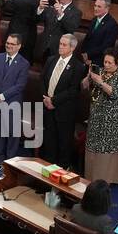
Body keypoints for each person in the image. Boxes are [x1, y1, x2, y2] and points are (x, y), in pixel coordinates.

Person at [81, 49, 118, 184]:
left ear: (117, 63)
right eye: (105, 62)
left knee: (106, 148)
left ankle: (106, 179)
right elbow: (84, 86)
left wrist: (101, 82)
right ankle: (91, 176)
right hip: (96, 116)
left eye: (109, 63)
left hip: (112, 119)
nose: (106, 65)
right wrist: (88, 76)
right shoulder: (99, 72)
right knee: (93, 145)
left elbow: (116, 94)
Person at [40, 33, 84, 170]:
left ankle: (59, 180)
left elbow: (73, 91)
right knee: (49, 144)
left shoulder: (78, 67)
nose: (60, 46)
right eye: (60, 43)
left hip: (64, 112)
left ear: (72, 48)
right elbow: (42, 80)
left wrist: (53, 100)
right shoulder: (51, 60)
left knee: (63, 146)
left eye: (64, 45)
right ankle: (45, 179)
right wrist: (46, 98)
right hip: (47, 108)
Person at [0, 33, 29, 160]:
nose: (9, 46)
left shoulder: (24, 63)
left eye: (12, 44)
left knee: (12, 132)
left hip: (12, 102)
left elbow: (20, 85)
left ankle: (10, 158)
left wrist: (2, 96)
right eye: (7, 43)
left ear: (19, 46)